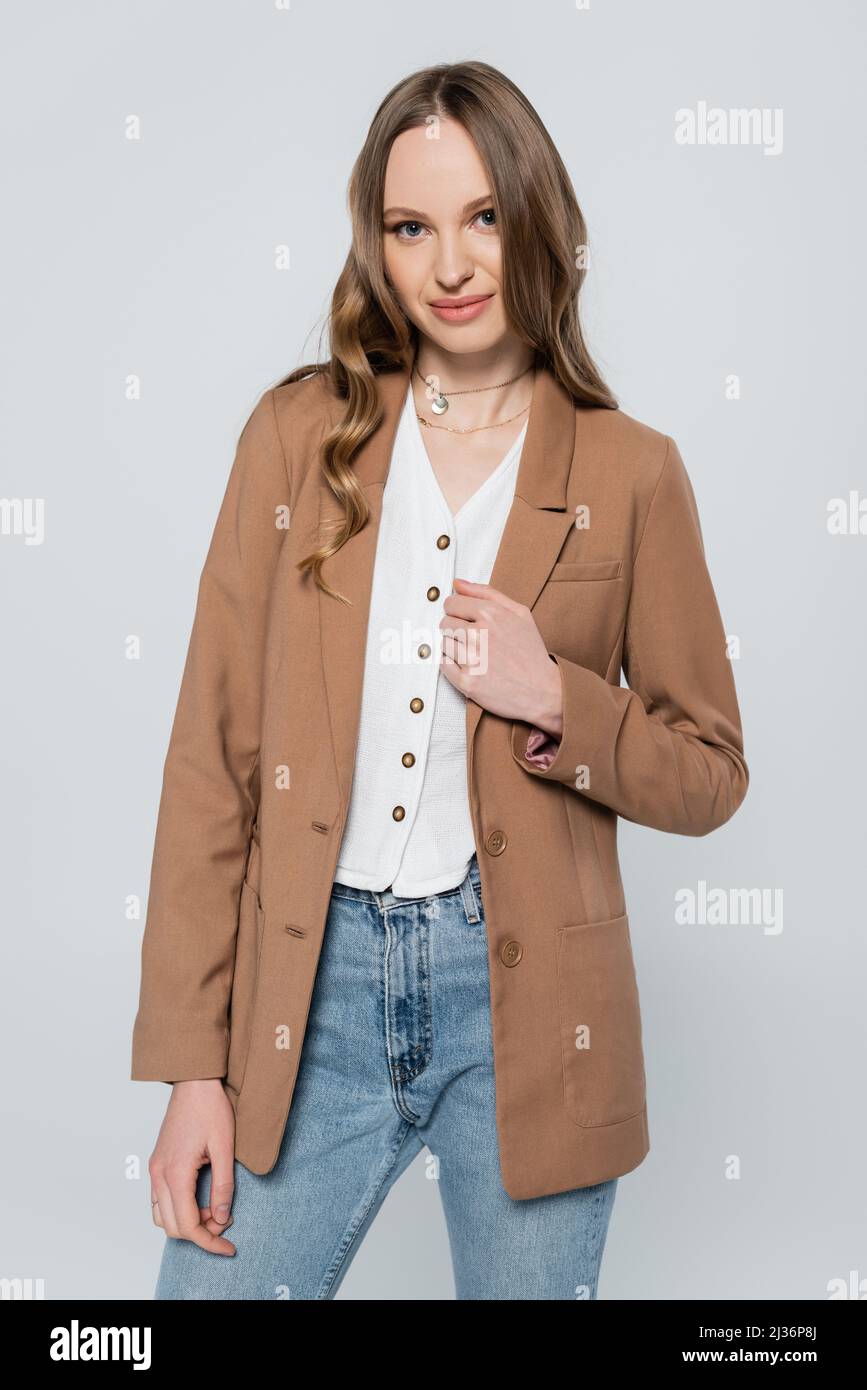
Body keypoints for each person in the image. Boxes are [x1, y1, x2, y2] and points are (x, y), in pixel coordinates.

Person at [131, 60, 748, 1300]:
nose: (451, 265)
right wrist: (193, 1068)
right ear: (378, 245)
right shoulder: (299, 438)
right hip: (315, 991)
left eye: (483, 218)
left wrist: (560, 696)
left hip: (528, 1009)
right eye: (412, 227)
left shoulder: (634, 470)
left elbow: (712, 771)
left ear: (541, 225)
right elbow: (215, 757)